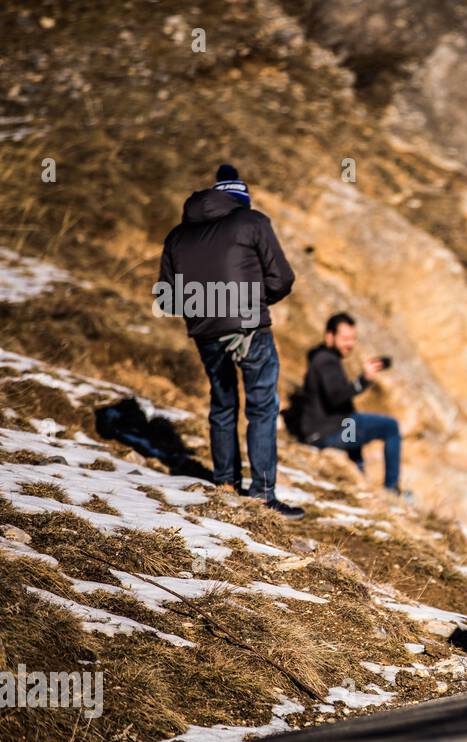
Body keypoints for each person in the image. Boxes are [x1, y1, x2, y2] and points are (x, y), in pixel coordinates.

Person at [157, 163, 303, 519]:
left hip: (206, 330)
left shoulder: (177, 236)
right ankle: (262, 495)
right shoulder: (252, 222)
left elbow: (166, 298)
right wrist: (253, 301)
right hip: (249, 327)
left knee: (223, 403)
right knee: (262, 406)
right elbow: (282, 278)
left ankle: (225, 483)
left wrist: (205, 310)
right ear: (242, 197)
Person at [300, 313, 402, 493]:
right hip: (327, 433)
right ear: (329, 336)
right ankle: (392, 489)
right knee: (390, 426)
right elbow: (336, 397)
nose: (350, 344)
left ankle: (359, 476)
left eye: (353, 339)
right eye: (345, 338)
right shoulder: (326, 361)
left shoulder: (322, 358)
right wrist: (363, 380)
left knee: (357, 424)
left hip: (327, 429)